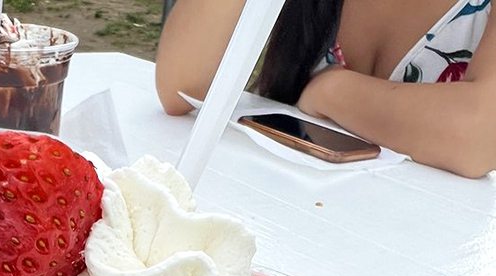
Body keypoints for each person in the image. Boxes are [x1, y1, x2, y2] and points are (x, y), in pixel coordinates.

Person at [155, 0, 496, 177]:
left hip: (438, 270)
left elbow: (479, 137)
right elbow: (183, 84)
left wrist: (332, 91)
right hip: (286, 228)